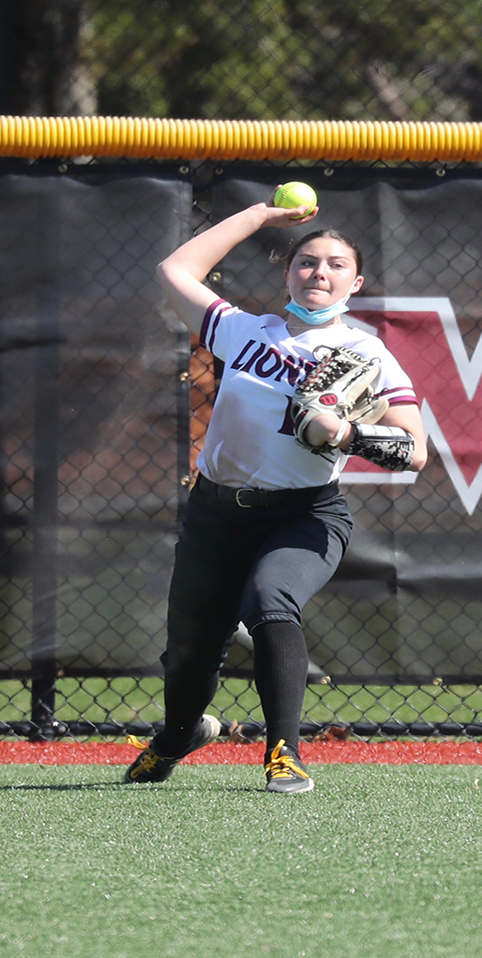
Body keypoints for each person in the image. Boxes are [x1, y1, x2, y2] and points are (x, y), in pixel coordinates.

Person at [125, 191, 428, 793]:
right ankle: (179, 735)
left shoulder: (369, 354)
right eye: (307, 261)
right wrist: (261, 217)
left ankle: (283, 752)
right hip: (215, 514)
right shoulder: (243, 332)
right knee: (187, 657)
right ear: (288, 272)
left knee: (270, 600)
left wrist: (343, 430)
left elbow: (413, 450)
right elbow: (173, 271)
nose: (321, 272)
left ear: (356, 282)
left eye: (336, 265)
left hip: (303, 515)